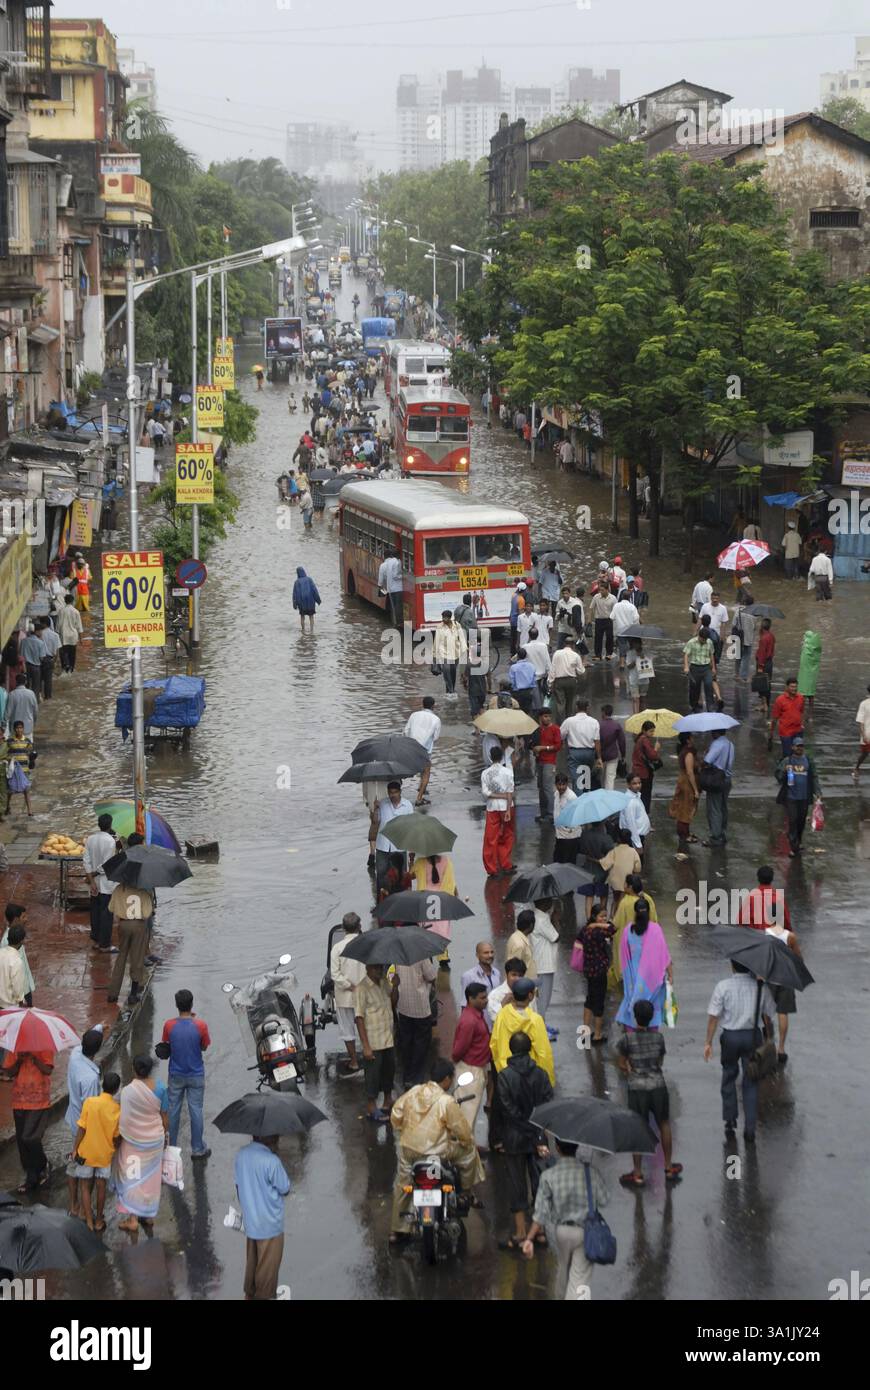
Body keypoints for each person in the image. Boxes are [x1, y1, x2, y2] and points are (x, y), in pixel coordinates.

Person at [389, 1059, 485, 1243]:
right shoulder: (446, 1101)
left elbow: (395, 1116)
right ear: (447, 1079)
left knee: (402, 1185)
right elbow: (463, 1132)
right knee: (469, 1152)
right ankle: (465, 1193)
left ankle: (397, 1230)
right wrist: (466, 1141)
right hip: (437, 1153)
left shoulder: (413, 1092)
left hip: (409, 1151)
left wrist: (405, 1129)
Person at [521, 1140, 609, 1299]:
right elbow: (604, 1200)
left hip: (561, 1232)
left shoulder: (549, 1175)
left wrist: (529, 1238)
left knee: (563, 1269)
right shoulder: (590, 1172)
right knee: (580, 1278)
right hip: (584, 1231)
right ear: (577, 1147)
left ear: (557, 1148)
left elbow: (541, 1212)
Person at [704, 962, 775, 1142]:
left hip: (730, 1037)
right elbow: (769, 1012)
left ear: (732, 966)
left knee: (728, 1075)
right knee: (751, 1081)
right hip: (753, 1037)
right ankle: (750, 1128)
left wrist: (708, 1042)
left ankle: (730, 1120)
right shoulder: (760, 987)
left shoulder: (723, 986)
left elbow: (713, 1016)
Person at [496, 1032, 553, 1251]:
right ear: (530, 1049)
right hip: (538, 1137)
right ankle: (540, 1231)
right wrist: (537, 1133)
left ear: (511, 1050)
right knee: (539, 1182)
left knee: (516, 1184)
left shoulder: (504, 1077)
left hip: (514, 1138)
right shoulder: (541, 1074)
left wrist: (523, 1128)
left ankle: (520, 1232)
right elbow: (548, 1105)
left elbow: (507, 1111)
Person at [616, 1000, 682, 1186]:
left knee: (637, 1128)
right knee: (664, 1124)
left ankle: (637, 1173)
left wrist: (630, 1070)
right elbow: (660, 1062)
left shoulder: (626, 1040)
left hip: (637, 1088)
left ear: (635, 1017)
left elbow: (621, 1063)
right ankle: (668, 1166)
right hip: (658, 1086)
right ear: (652, 1016)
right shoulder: (658, 1038)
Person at [113, 1054, 168, 1232]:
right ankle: (149, 1216)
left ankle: (133, 1219)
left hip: (133, 1141)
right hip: (155, 1140)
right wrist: (165, 1137)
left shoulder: (128, 1091)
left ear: (134, 1070)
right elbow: (164, 1117)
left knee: (132, 1177)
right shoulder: (160, 1088)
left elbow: (121, 1115)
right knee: (151, 1178)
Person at [234, 1134, 291, 1299]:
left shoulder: (241, 1154)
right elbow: (285, 1188)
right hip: (270, 1226)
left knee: (252, 1268)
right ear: (273, 1138)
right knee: (266, 1275)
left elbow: (238, 1186)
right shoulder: (272, 1161)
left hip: (252, 1223)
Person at [160, 989, 211, 1161]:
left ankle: (171, 1148)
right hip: (196, 1074)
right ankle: (197, 1148)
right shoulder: (201, 1025)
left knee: (173, 1111)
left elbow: (167, 1045)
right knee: (195, 1110)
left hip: (176, 1074)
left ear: (176, 1005)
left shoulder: (169, 1025)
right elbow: (204, 1047)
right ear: (191, 1004)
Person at [3, 1030, 53, 1192]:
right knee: (22, 1141)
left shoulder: (44, 1043)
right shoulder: (14, 1046)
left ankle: (43, 1163)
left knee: (30, 1137)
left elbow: (48, 1069)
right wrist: (19, 1060)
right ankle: (31, 1177)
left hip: (38, 1100)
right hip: (19, 1100)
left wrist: (33, 1058)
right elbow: (8, 1072)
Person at [72, 1071, 121, 1231]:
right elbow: (116, 1137)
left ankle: (88, 1221)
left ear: (102, 1084)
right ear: (116, 1090)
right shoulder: (116, 1109)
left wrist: (74, 1150)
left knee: (85, 1186)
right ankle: (99, 1220)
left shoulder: (90, 1102)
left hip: (86, 1153)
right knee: (101, 1187)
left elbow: (81, 1129)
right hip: (104, 1155)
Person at [106, 837, 152, 1005]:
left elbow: (111, 908)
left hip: (123, 924)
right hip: (139, 926)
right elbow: (147, 913)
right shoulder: (143, 891)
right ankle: (133, 994)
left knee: (121, 957)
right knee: (137, 959)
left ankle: (113, 993)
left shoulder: (119, 889)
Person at [615, 898, 672, 1030]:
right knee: (652, 1008)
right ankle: (652, 1041)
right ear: (649, 911)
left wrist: (624, 974)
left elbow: (624, 955)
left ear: (635, 912)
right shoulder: (656, 929)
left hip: (633, 978)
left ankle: (631, 1040)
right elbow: (664, 955)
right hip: (651, 978)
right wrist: (670, 974)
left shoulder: (628, 930)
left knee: (633, 1006)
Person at [64, 1025, 104, 1216]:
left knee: (74, 1163)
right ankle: (79, 1207)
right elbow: (89, 1113)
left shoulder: (75, 1054)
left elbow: (88, 1035)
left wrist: (99, 1027)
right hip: (83, 1126)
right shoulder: (89, 1079)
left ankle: (74, 1204)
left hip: (73, 1117)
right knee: (79, 1166)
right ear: (97, 1050)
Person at [491, 977, 555, 1085]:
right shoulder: (535, 1020)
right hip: (530, 1076)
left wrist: (502, 1070)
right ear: (530, 996)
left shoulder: (502, 1015)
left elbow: (494, 1045)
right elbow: (543, 1052)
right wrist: (548, 1081)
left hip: (507, 1073)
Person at [355, 963, 397, 1122]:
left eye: (381, 968)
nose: (379, 971)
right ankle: (371, 1107)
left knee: (389, 1070)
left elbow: (393, 1002)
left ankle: (388, 1100)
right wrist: (365, 1046)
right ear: (367, 968)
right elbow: (359, 1018)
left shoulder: (385, 982)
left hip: (387, 1037)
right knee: (372, 1075)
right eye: (376, 968)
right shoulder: (361, 988)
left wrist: (396, 987)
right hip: (373, 1040)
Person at [451, 982, 492, 1137]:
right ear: (470, 998)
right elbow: (459, 1049)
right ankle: (465, 1152)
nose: (486, 1000)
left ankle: (470, 1144)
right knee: (467, 1113)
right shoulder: (469, 1020)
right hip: (470, 1069)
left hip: (477, 1067)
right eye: (482, 998)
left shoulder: (476, 1015)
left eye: (486, 996)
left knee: (472, 1110)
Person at [329, 913, 366, 1077]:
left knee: (347, 1030)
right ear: (359, 927)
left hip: (344, 996)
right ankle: (369, 1054)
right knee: (365, 1026)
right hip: (364, 994)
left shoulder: (337, 948)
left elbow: (334, 974)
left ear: (343, 929)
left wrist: (348, 985)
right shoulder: (366, 944)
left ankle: (354, 1061)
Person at [775, 733, 821, 857]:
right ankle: (793, 847)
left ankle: (798, 842)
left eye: (802, 746)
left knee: (801, 822)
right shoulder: (787, 761)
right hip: (791, 798)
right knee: (793, 821)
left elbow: (814, 777)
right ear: (793, 747)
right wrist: (784, 772)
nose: (800, 748)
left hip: (804, 798)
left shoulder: (808, 761)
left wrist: (818, 792)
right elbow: (778, 776)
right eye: (798, 746)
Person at [608, 876, 658, 991]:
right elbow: (654, 919)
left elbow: (616, 923)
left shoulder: (625, 902)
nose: (624, 886)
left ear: (630, 887)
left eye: (625, 884)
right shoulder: (647, 899)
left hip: (627, 941)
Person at [576, 903, 616, 1044]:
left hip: (588, 971)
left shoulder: (585, 930)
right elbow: (613, 928)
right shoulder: (598, 932)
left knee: (589, 1001)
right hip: (599, 972)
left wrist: (594, 925)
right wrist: (598, 925)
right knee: (599, 1004)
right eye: (601, 916)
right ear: (594, 916)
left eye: (605, 916)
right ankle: (597, 1035)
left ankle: (585, 1033)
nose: (604, 919)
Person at [83, 812, 118, 953]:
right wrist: (94, 876)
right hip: (105, 884)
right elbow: (106, 866)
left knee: (95, 912)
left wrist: (91, 880)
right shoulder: (110, 842)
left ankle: (96, 940)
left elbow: (86, 861)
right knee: (106, 914)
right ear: (110, 825)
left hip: (94, 883)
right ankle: (105, 944)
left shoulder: (90, 839)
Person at [369, 780, 413, 889]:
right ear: (387, 793)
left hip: (399, 846)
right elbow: (375, 822)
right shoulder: (382, 803)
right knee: (381, 875)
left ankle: (400, 899)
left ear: (400, 792)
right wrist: (375, 809)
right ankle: (382, 901)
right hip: (382, 846)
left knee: (400, 876)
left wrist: (412, 852)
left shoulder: (407, 805)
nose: (393, 795)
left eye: (395, 792)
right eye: (390, 793)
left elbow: (412, 826)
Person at [480, 746, 515, 878]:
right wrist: (507, 808)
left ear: (490, 756)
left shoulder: (485, 773)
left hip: (492, 807)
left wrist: (498, 796)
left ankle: (491, 868)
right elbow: (510, 792)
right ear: (501, 757)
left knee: (490, 838)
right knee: (507, 836)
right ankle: (505, 863)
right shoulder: (508, 771)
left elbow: (485, 792)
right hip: (507, 806)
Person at [404, 695, 440, 806]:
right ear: (433, 706)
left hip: (410, 747)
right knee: (426, 772)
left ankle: (418, 787)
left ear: (422, 704)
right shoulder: (436, 719)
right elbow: (436, 737)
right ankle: (419, 798)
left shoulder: (414, 715)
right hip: (424, 751)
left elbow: (406, 731)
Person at [560, 700, 602, 794]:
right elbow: (597, 741)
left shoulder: (569, 721)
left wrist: (563, 745)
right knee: (586, 781)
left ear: (576, 707)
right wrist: (599, 757)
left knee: (577, 781)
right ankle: (586, 797)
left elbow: (560, 735)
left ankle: (578, 800)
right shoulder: (594, 722)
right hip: (589, 753)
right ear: (587, 708)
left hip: (575, 753)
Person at [530, 899, 559, 1030]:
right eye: (549, 900)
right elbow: (555, 937)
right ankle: (540, 1029)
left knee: (541, 998)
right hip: (544, 965)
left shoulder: (538, 916)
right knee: (543, 1000)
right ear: (543, 903)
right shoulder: (541, 920)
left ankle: (542, 1025)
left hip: (541, 963)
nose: (551, 903)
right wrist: (556, 919)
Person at [703, 731, 735, 848]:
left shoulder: (717, 744)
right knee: (722, 807)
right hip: (727, 779)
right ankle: (722, 833)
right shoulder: (730, 744)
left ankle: (715, 837)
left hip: (716, 780)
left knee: (714, 808)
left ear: (716, 732)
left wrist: (706, 753)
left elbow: (707, 760)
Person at [737, 865, 791, 932]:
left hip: (755, 938)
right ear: (772, 879)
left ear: (758, 878)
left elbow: (741, 922)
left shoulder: (750, 897)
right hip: (774, 938)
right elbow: (787, 923)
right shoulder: (779, 898)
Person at [530, 708, 561, 822]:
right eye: (545, 716)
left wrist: (543, 748)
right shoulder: (538, 730)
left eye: (548, 716)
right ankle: (543, 813)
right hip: (539, 761)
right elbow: (533, 744)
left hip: (549, 762)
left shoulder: (555, 729)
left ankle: (551, 814)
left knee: (548, 788)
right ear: (540, 718)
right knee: (541, 788)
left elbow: (558, 746)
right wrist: (534, 749)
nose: (547, 718)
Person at [599, 830, 641, 912]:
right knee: (623, 900)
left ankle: (612, 917)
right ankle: (619, 915)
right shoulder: (633, 851)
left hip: (615, 880)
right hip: (627, 881)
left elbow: (605, 864)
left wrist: (592, 859)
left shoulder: (615, 850)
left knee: (615, 899)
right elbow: (638, 868)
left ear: (618, 839)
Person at [547, 636, 584, 724]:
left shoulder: (557, 653)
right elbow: (580, 671)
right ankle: (569, 722)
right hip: (571, 681)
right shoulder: (576, 655)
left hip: (559, 681)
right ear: (573, 645)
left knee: (560, 703)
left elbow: (553, 669)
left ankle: (560, 724)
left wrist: (550, 682)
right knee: (570, 703)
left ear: (564, 644)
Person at [1, 903, 33, 1004]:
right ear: (15, 919)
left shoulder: (16, 935)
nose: (26, 919)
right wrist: (20, 999)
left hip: (24, 986)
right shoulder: (6, 943)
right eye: (23, 917)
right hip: (15, 995)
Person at [433, 609, 466, 701]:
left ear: (449, 618)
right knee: (446, 670)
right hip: (444, 653)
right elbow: (436, 641)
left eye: (445, 617)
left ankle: (449, 690)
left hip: (455, 652)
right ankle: (451, 691)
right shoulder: (439, 627)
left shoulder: (457, 625)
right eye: (443, 617)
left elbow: (462, 638)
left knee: (452, 671)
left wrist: (464, 649)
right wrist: (435, 655)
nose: (443, 619)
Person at [683, 628, 716, 713]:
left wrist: (713, 668)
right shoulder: (691, 642)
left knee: (709, 685)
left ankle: (710, 707)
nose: (704, 641)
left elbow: (711, 654)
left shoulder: (709, 642)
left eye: (705, 639)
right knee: (695, 688)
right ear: (699, 637)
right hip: (695, 667)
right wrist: (686, 666)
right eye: (703, 639)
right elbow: (686, 654)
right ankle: (694, 705)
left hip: (706, 668)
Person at [769, 677, 805, 758]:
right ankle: (784, 769)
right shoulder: (780, 700)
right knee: (787, 755)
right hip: (786, 732)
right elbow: (775, 718)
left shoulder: (801, 698)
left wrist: (802, 725)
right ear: (787, 687)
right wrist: (771, 732)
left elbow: (801, 712)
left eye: (795, 687)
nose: (794, 689)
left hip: (798, 731)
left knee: (798, 754)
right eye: (792, 687)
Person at [631, 720, 660, 813]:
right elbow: (653, 756)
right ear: (644, 730)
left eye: (653, 731)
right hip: (644, 773)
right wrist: (656, 748)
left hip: (637, 771)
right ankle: (645, 817)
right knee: (645, 796)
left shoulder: (639, 739)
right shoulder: (644, 740)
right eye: (651, 731)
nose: (652, 733)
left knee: (640, 795)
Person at [0, 921, 27, 1009]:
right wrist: (21, 1001)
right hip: (9, 1007)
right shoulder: (17, 961)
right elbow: (17, 989)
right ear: (21, 941)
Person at [599, 705, 626, 791]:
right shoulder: (616, 725)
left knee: (600, 779)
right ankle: (609, 799)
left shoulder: (598, 725)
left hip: (600, 756)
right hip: (613, 755)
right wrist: (623, 755)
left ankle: (600, 797)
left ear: (603, 713)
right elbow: (622, 741)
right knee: (610, 779)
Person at [56, 593, 83, 673]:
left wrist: (58, 636)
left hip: (63, 636)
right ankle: (71, 669)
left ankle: (65, 668)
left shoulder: (61, 611)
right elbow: (79, 627)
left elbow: (58, 626)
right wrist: (81, 639)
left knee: (64, 653)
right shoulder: (76, 612)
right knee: (72, 654)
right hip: (73, 636)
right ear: (72, 601)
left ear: (65, 601)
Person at [505, 908, 536, 975]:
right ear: (531, 925)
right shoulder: (519, 944)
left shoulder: (515, 936)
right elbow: (514, 970)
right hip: (523, 982)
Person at [754, 618, 775, 714]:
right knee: (768, 683)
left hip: (763, 663)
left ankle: (764, 705)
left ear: (762, 627)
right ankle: (767, 703)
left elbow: (762, 654)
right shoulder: (771, 636)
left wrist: (760, 667)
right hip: (770, 663)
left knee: (761, 684)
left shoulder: (763, 639)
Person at [377, 549, 404, 627]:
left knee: (393, 606)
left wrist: (380, 587)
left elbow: (381, 579)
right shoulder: (397, 562)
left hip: (390, 589)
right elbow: (396, 576)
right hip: (398, 588)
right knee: (398, 605)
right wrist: (404, 577)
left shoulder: (386, 564)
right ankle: (399, 622)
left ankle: (394, 622)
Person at [291, 566, 321, 635]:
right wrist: (318, 600)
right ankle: (312, 630)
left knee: (302, 616)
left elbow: (294, 594)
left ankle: (303, 630)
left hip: (301, 602)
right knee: (311, 616)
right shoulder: (309, 579)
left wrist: (295, 605)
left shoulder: (296, 582)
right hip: (310, 601)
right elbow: (314, 590)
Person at [589, 584, 615, 661]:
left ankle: (609, 654)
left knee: (610, 637)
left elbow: (615, 610)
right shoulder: (596, 597)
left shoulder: (613, 598)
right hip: (599, 620)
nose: (601, 592)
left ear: (607, 590)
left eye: (602, 590)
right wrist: (589, 619)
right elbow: (591, 608)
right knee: (598, 638)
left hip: (609, 620)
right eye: (600, 590)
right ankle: (598, 655)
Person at [21, 625, 46, 699]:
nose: (42, 633)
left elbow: (21, 655)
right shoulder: (40, 643)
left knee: (26, 685)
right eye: (41, 631)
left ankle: (26, 700)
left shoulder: (24, 641)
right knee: (36, 686)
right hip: (36, 667)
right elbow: (41, 658)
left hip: (25, 667)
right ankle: (35, 701)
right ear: (36, 631)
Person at [38, 619, 59, 699]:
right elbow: (57, 650)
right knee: (48, 680)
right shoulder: (55, 635)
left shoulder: (40, 634)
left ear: (44, 624)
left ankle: (39, 696)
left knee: (39, 679)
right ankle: (48, 697)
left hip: (40, 659)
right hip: (50, 659)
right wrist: (55, 661)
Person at [853, 684, 870, 783]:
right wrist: (863, 735)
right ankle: (856, 768)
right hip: (867, 734)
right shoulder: (864, 704)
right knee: (865, 754)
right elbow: (861, 721)